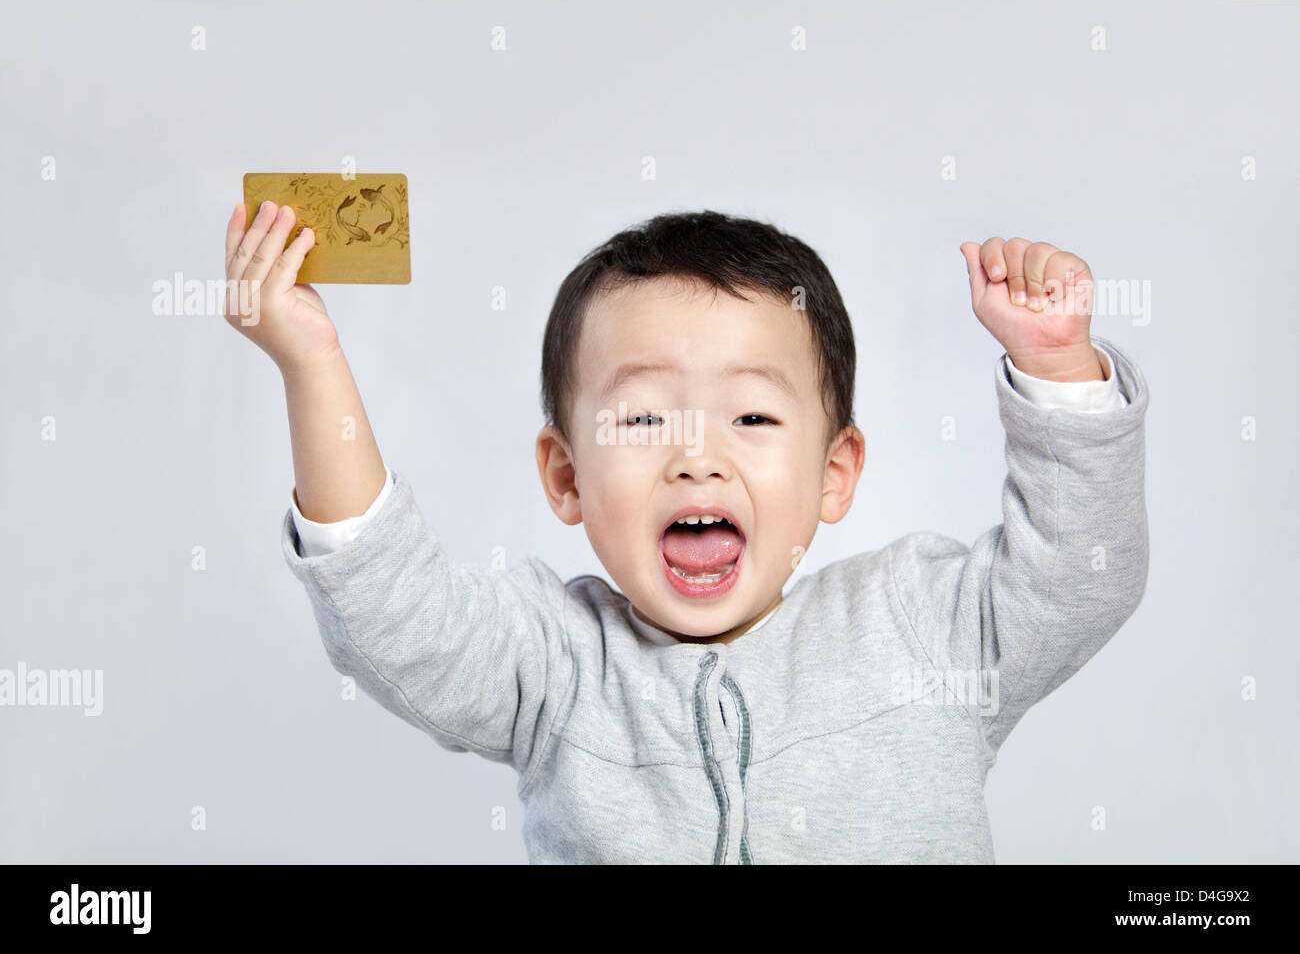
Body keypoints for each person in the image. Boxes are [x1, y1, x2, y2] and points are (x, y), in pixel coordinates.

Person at [223, 202, 1147, 863]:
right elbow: (398, 622)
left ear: (836, 473)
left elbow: (1081, 576)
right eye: (643, 421)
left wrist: (1059, 367)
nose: (697, 459)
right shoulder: (553, 667)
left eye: (751, 419)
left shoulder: (925, 629)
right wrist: (312, 362)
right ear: (565, 475)